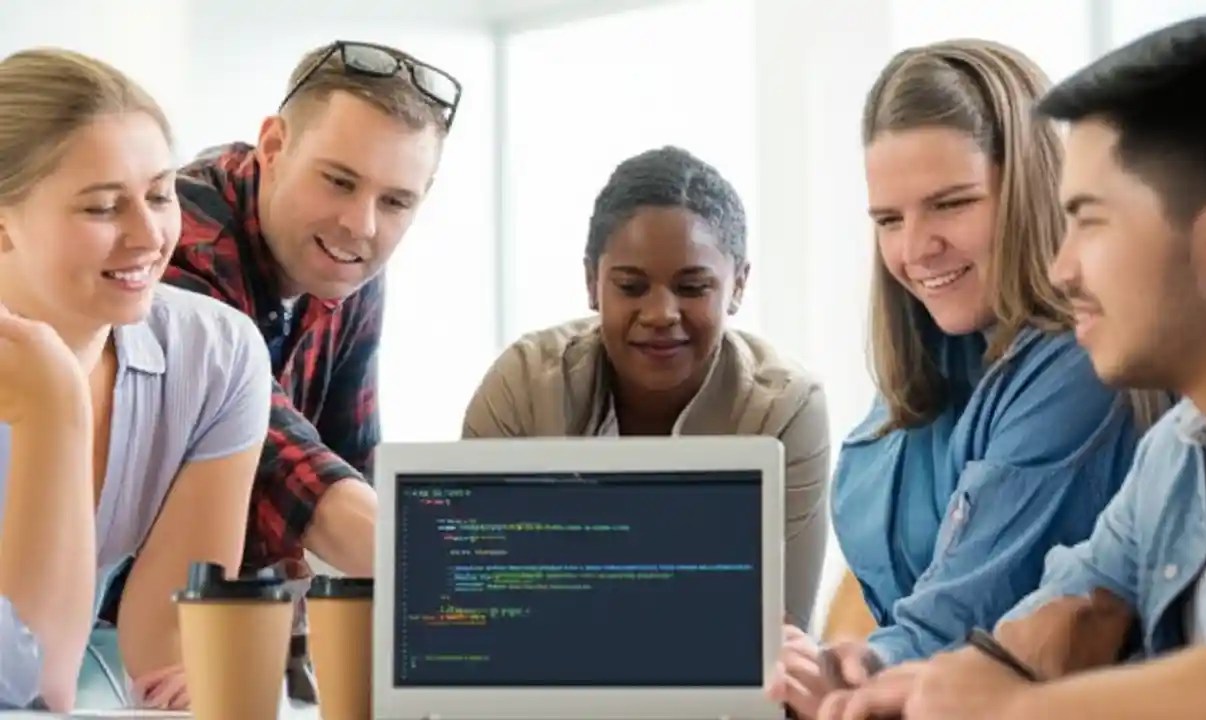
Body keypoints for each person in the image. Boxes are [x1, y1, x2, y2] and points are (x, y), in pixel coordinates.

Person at [855, 14, 1206, 720]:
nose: (1061, 266)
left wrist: (1011, 708)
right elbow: (1070, 605)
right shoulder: (1177, 452)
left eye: (1090, 220)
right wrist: (907, 685)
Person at [766, 39, 1170, 719]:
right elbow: (879, 606)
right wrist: (827, 660)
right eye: (889, 219)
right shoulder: (936, 352)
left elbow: (962, 619)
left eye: (950, 205)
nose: (915, 248)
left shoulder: (1077, 367)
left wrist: (845, 673)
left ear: (1029, 191)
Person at [136, 40, 460, 699]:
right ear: (274, 146)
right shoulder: (178, 244)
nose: (360, 225)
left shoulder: (347, 265)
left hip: (237, 633)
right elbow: (280, 461)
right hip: (106, 636)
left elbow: (353, 460)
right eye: (338, 180)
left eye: (396, 202)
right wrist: (468, 580)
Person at [0, 48, 271, 711]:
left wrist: (203, 671)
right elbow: (29, 685)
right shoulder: (47, 395)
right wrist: (55, 410)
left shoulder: (213, 355)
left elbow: (166, 649)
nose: (149, 236)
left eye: (158, 194)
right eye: (102, 208)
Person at [462, 145, 831, 628]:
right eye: (631, 287)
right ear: (592, 283)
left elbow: (778, 636)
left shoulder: (786, 409)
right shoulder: (523, 385)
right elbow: (478, 597)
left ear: (738, 285)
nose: (660, 314)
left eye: (693, 287)